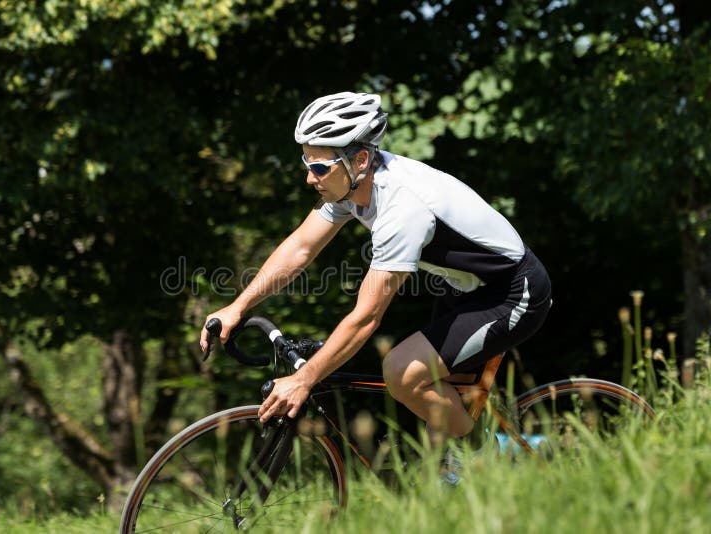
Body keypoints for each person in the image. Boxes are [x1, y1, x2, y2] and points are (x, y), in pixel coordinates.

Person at [199, 91, 551, 445]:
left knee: (402, 374)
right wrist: (238, 306)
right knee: (439, 410)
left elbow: (366, 317)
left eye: (320, 167)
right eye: (306, 163)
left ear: (361, 158)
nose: (310, 178)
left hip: (511, 292)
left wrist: (305, 380)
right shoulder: (352, 186)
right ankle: (469, 460)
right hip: (463, 286)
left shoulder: (402, 210)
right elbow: (301, 248)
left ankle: (494, 455)